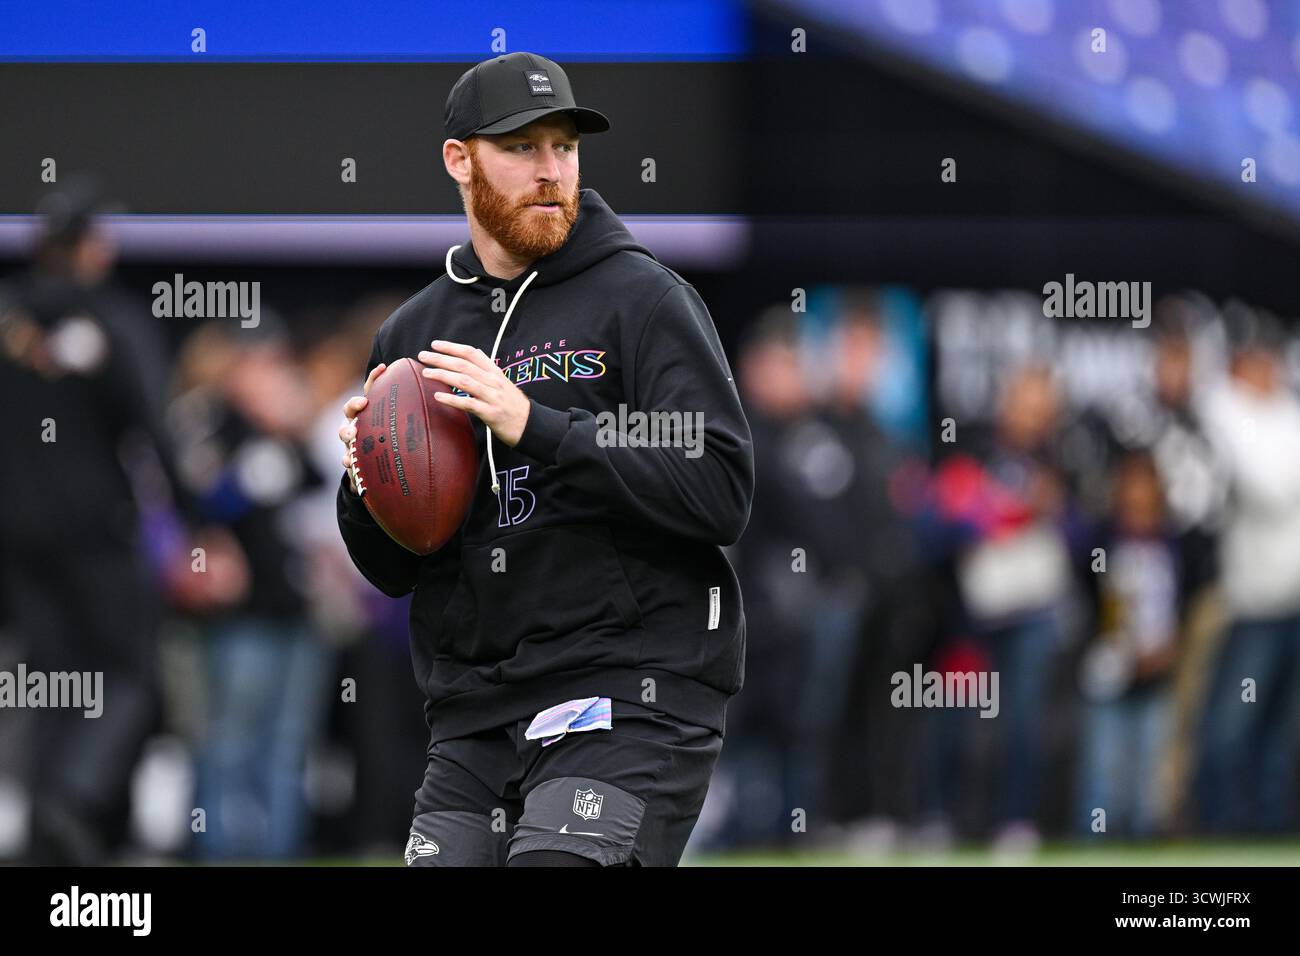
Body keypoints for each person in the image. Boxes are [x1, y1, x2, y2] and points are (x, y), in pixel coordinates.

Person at [336, 52, 754, 867]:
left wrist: (537, 424)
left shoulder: (643, 299)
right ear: (460, 161)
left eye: (562, 147)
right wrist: (366, 482)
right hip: (478, 709)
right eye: (521, 148)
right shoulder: (412, 335)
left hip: (629, 689)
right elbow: (395, 567)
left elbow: (720, 485)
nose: (550, 171)